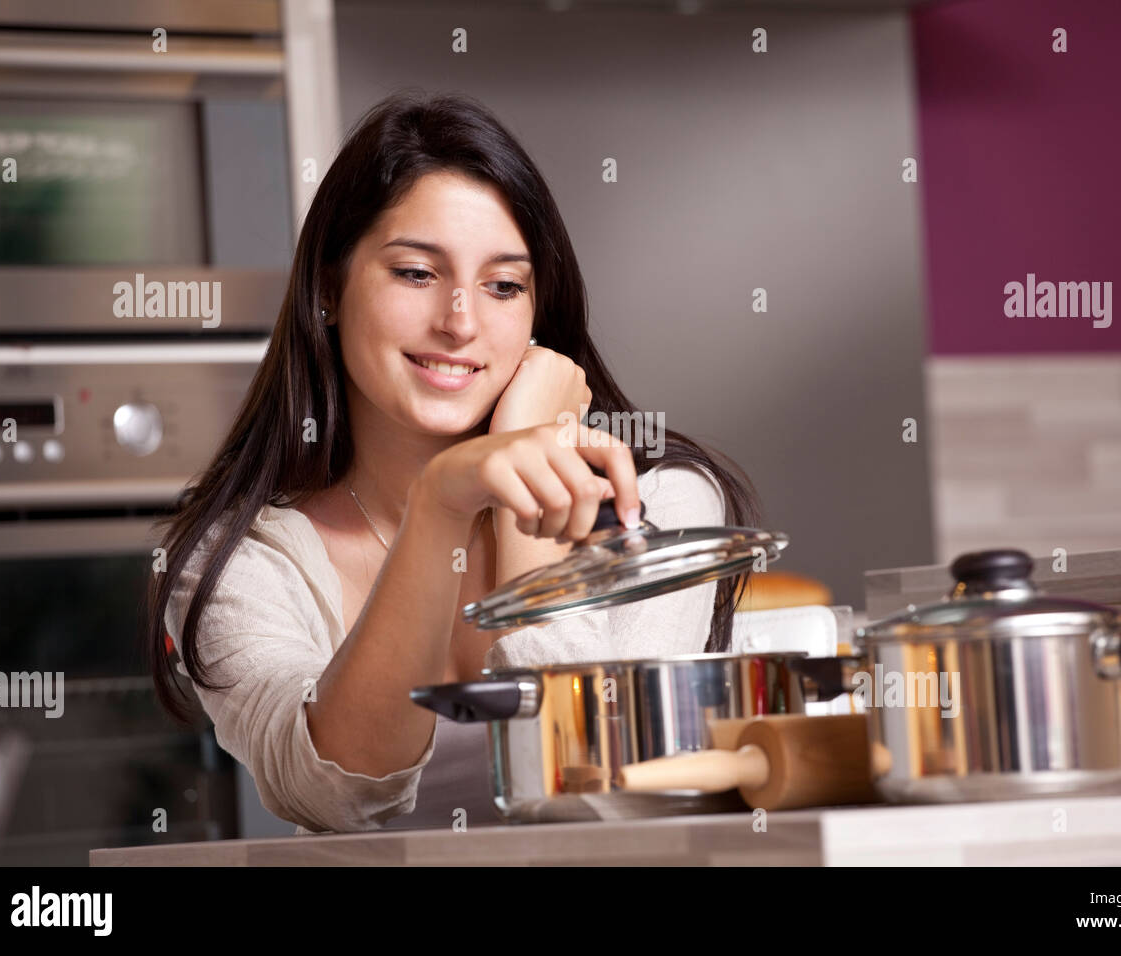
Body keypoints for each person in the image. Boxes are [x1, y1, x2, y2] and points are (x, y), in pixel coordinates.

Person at [145, 90, 760, 835]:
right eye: (416, 273)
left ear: (539, 311)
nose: (460, 321)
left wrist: (527, 467)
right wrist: (440, 507)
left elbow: (592, 791)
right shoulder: (239, 557)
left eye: (504, 286)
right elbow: (333, 794)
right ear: (328, 289)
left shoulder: (658, 501)